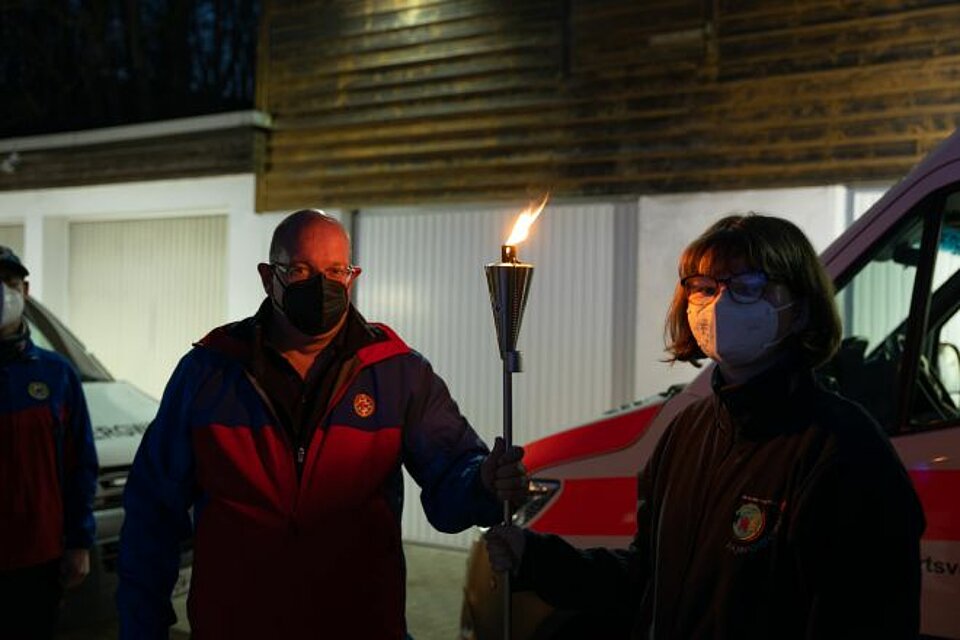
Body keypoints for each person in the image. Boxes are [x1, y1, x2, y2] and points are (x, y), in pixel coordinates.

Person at [486, 214, 925, 639]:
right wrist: (537, 560)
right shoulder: (686, 432)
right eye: (704, 288)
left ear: (801, 308)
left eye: (748, 287)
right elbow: (648, 583)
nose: (720, 304)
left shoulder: (844, 452)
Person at [117, 209, 528, 639]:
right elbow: (152, 513)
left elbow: (450, 485)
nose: (321, 286)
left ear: (352, 277)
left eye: (335, 271)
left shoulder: (396, 372)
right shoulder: (209, 372)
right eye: (300, 269)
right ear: (266, 277)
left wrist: (482, 480)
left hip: (361, 624)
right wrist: (142, 625)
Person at [0, 246, 98, 640]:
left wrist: (79, 542)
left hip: (38, 558)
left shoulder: (56, 374)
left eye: (8, 283)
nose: (2, 294)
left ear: (24, 290)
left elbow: (80, 464)